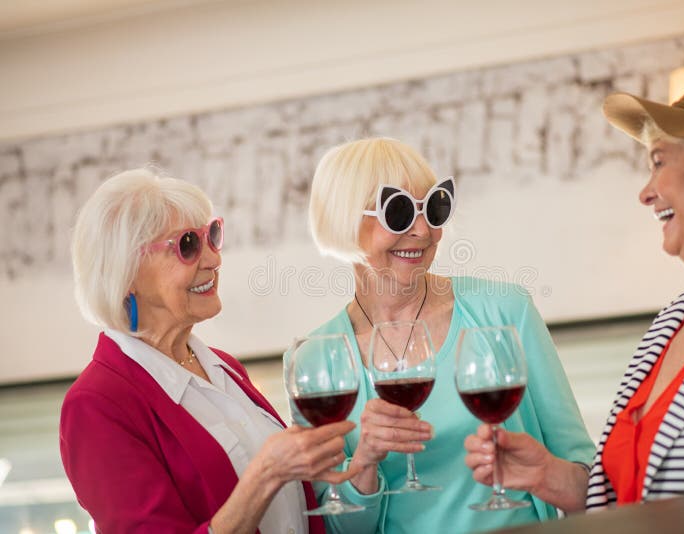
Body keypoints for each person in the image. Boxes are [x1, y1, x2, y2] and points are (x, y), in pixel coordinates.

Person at [465, 67, 684, 510]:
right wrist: (551, 476)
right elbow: (637, 495)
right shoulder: (673, 318)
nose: (645, 193)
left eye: (659, 161)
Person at [287, 137, 595, 533]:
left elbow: (587, 479)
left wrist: (548, 475)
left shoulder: (504, 310)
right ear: (345, 220)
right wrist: (364, 462)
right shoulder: (312, 359)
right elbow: (339, 529)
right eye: (398, 211)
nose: (424, 230)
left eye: (433, 208)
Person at [60, 168, 356, 533]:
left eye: (212, 236)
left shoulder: (224, 366)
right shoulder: (96, 404)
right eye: (187, 244)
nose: (214, 259)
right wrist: (267, 474)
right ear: (126, 272)